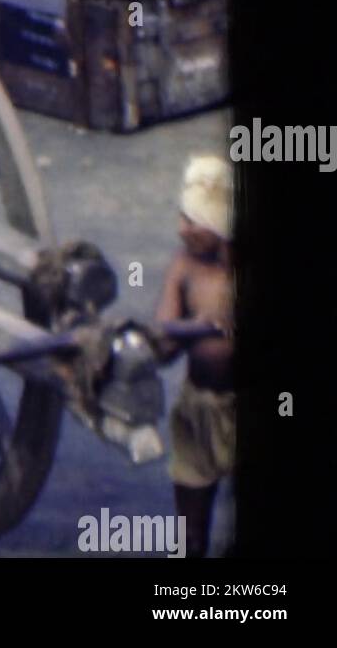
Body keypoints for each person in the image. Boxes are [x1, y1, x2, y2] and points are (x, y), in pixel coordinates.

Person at [153, 155, 235, 557]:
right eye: (181, 217)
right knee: (190, 537)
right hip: (198, 409)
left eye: (192, 221)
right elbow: (163, 344)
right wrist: (193, 324)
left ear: (221, 229)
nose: (181, 230)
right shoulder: (183, 268)